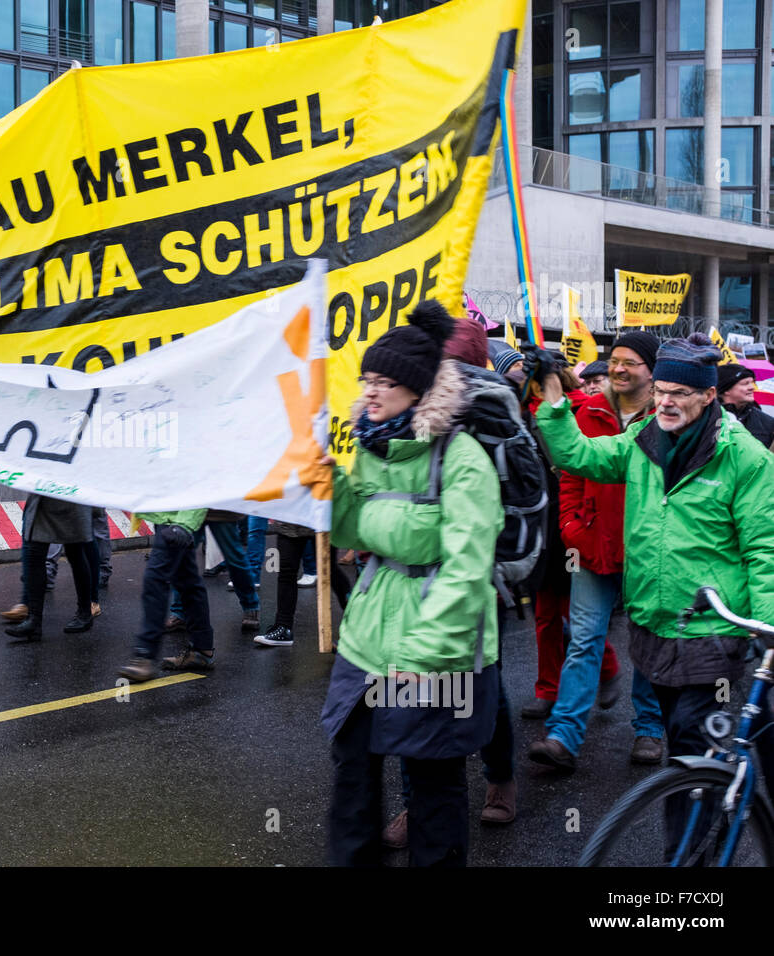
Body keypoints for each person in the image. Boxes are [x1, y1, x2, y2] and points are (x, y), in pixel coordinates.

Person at [532, 334, 774, 847]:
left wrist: (768, 627)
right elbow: (578, 455)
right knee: (687, 753)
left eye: (680, 393)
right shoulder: (642, 441)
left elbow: (765, 550)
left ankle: (684, 866)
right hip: (653, 626)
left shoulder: (746, 458)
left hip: (713, 633)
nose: (664, 401)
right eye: (661, 389)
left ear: (708, 396)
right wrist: (554, 400)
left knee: (691, 752)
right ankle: (713, 821)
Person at [324, 302, 503, 867]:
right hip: (367, 642)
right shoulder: (371, 445)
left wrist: (423, 656)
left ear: (420, 390)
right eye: (368, 381)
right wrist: (331, 487)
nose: (371, 393)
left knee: (431, 785)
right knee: (353, 774)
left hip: (432, 652)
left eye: (385, 383)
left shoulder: (463, 458)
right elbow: (355, 533)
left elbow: (467, 570)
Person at [529, 334, 665, 771]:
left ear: (651, 370)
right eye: (615, 360)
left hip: (648, 554)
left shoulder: (667, 418)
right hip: (592, 548)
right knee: (584, 640)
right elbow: (570, 471)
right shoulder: (588, 411)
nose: (619, 368)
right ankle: (564, 736)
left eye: (630, 362)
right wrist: (572, 527)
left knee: (647, 644)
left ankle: (649, 729)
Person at [118, 507, 214, 682]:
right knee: (188, 582)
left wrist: (185, 524)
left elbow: (202, 484)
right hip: (167, 517)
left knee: (155, 580)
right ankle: (202, 648)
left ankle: (144, 655)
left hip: (178, 520)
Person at [4, 494, 96, 640]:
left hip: (71, 497)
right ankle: (33, 621)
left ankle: (85, 612)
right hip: (43, 499)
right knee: (34, 554)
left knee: (75, 553)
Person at [253, 521, 350, 646]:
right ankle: (283, 627)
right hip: (291, 519)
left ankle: (356, 620)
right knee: (286, 571)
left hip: (319, 517)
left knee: (328, 569)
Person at [717, 362, 774, 449]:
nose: (752, 387)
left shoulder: (767, 422)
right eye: (745, 383)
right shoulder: (705, 416)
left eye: (752, 382)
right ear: (726, 390)